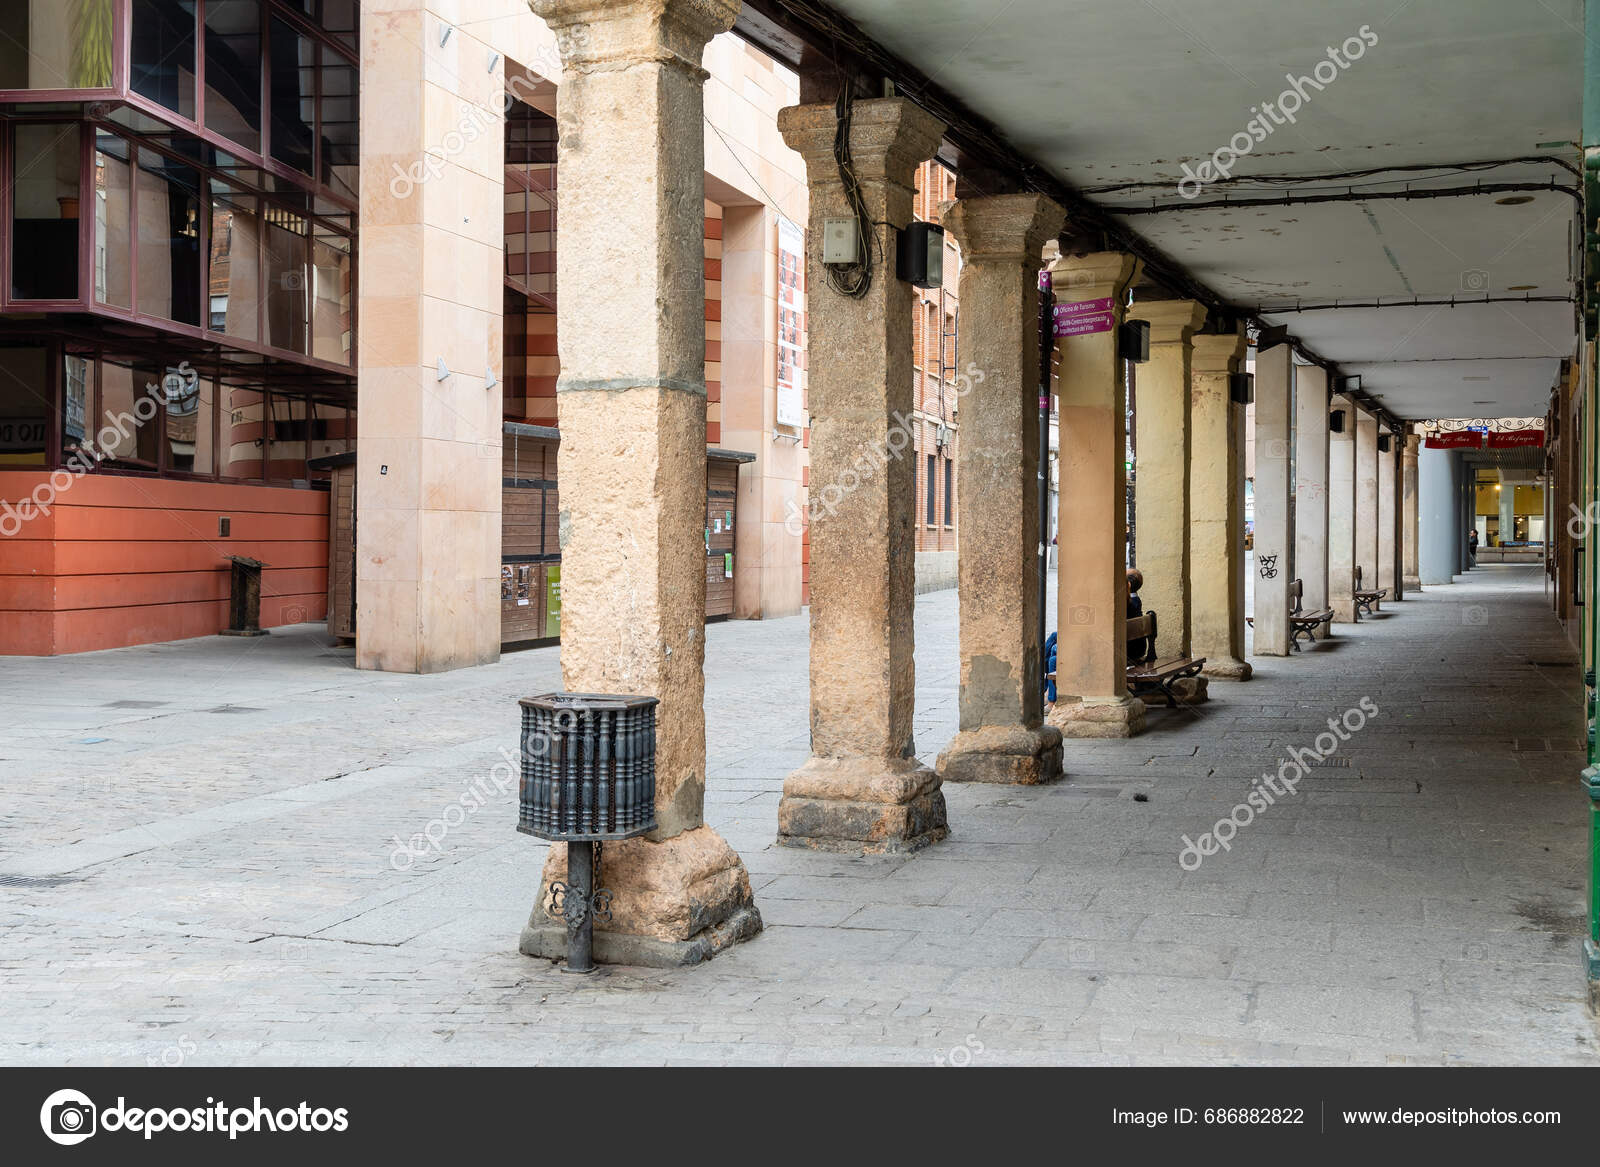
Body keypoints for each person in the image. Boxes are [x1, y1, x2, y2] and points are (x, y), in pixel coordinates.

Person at [1126, 568, 1150, 665]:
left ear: (1128, 584)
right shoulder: (1136, 600)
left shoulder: (1128, 603)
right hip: (1139, 649)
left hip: (1130, 652)